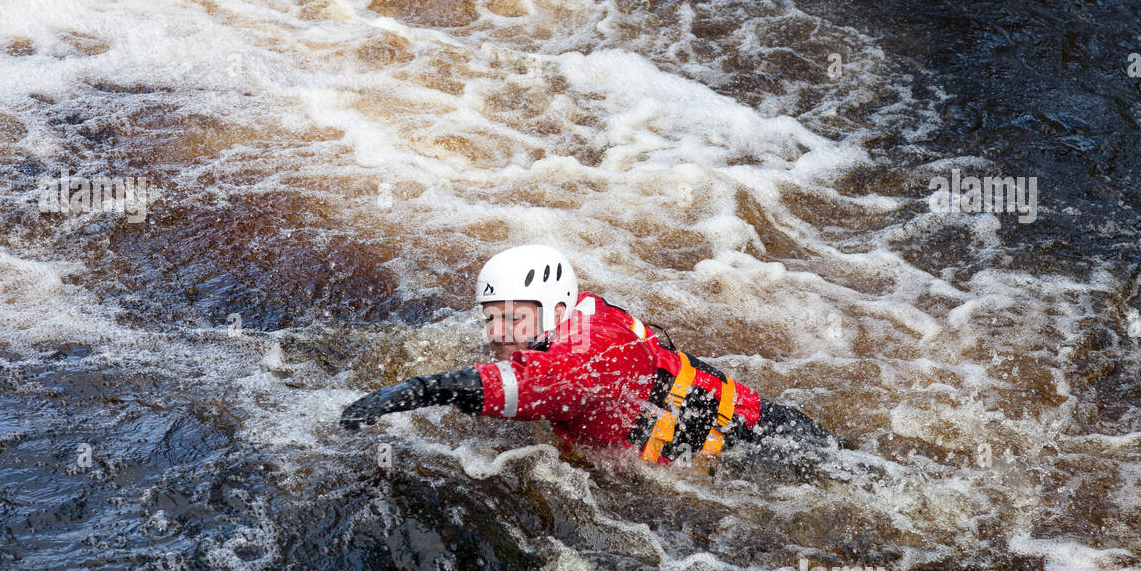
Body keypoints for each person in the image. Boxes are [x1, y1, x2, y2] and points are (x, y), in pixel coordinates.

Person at [339, 243, 850, 480]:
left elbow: (530, 384)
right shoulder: (573, 321)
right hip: (734, 440)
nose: (498, 335)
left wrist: (421, 390)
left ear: (558, 311)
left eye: (515, 319)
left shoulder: (590, 355)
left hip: (763, 455)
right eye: (491, 318)